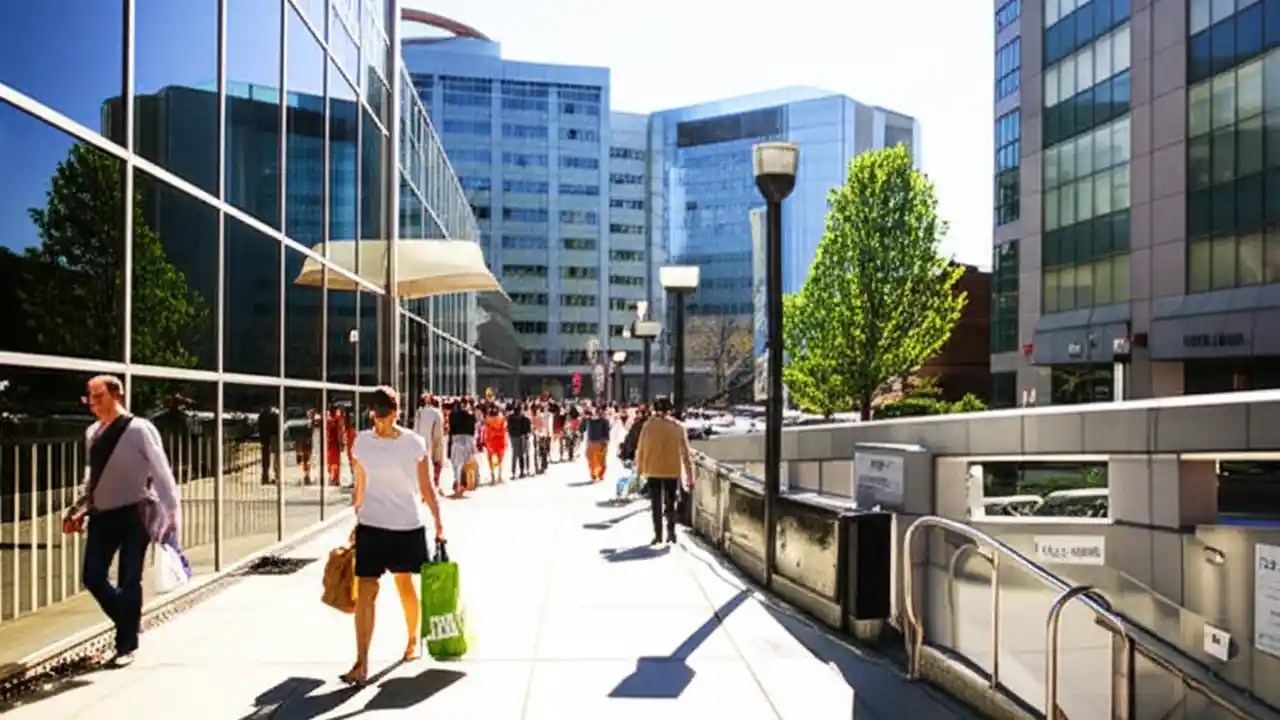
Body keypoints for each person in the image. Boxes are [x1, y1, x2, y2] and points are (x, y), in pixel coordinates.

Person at [62, 375, 182, 667]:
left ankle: (125, 644)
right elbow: (92, 478)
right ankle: (129, 622)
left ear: (117, 395)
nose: (92, 403)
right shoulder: (92, 432)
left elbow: (162, 473)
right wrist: (79, 509)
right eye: (89, 397)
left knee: (130, 578)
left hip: (135, 513)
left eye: (98, 396)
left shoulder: (140, 429)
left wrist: (171, 515)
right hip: (102, 515)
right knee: (92, 576)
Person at [345, 386, 444, 685]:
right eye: (378, 415)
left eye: (385, 414)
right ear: (372, 414)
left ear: (396, 412)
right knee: (366, 590)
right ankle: (362, 661)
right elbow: (360, 485)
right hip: (372, 524)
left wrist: (438, 522)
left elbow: (426, 488)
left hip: (405, 526)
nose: (382, 420)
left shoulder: (414, 443)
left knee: (404, 583)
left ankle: (412, 640)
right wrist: (356, 518)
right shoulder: (362, 442)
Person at [635, 395, 694, 546]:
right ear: (670, 410)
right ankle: (671, 531)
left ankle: (657, 534)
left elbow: (640, 449)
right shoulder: (678, 427)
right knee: (671, 502)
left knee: (655, 503)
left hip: (652, 469)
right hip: (672, 470)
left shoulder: (648, 426)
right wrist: (690, 476)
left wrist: (639, 471)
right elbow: (686, 454)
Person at [447, 398, 477, 498]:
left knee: (457, 465)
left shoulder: (453, 415)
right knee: (465, 464)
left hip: (457, 440)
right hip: (468, 440)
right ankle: (464, 485)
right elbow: (473, 429)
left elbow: (451, 429)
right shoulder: (471, 415)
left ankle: (459, 486)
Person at [414, 394, 445, 489]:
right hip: (433, 441)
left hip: (419, 441)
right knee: (437, 462)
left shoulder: (419, 412)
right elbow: (438, 431)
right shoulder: (436, 413)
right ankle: (435, 483)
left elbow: (415, 427)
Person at [583, 406, 612, 483]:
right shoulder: (589, 420)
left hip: (600, 443)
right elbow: (583, 428)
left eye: (595, 412)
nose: (594, 414)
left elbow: (607, 432)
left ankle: (600, 474)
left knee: (601, 461)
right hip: (591, 442)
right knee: (591, 460)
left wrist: (606, 441)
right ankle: (594, 475)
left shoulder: (604, 421)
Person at [482, 406, 508, 483]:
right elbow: (504, 430)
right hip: (500, 442)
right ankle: (499, 476)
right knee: (500, 460)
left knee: (491, 460)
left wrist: (485, 441)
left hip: (491, 442)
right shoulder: (502, 419)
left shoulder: (487, 421)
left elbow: (485, 432)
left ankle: (492, 477)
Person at [508, 403, 532, 479]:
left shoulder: (511, 417)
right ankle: (521, 472)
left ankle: (515, 473)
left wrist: (511, 436)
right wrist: (525, 434)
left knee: (515, 455)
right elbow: (527, 427)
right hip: (520, 437)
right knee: (521, 455)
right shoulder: (523, 417)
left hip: (515, 437)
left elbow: (509, 429)